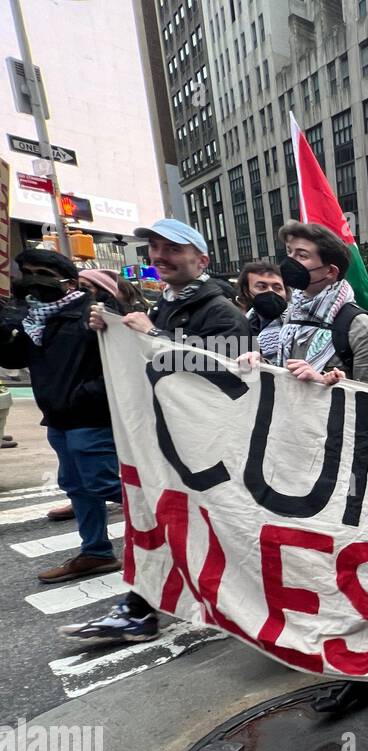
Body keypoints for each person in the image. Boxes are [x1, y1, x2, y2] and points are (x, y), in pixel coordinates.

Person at [63, 218, 251, 644]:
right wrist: (114, 333)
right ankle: (140, 606)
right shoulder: (163, 304)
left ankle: (231, 605)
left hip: (206, 447)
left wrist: (156, 337)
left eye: (173, 249)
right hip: (171, 440)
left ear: (200, 259)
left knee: (213, 526)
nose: (160, 256)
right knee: (161, 517)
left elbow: (232, 371)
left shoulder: (220, 311)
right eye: (155, 248)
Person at [0, 251, 127, 583]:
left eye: (41, 272)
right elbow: (13, 359)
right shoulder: (34, 319)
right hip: (58, 419)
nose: (31, 279)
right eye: (26, 272)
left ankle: (178, 526)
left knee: (105, 483)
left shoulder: (95, 315)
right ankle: (97, 552)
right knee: (77, 486)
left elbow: (121, 365)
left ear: (69, 282)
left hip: (91, 417)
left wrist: (85, 397)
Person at [256, 223, 368, 386]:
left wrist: (322, 381)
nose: (290, 261)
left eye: (302, 256)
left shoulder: (362, 329)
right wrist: (259, 364)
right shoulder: (293, 313)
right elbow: (286, 375)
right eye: (290, 252)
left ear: (331, 272)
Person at [235, 260, 287, 338]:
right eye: (262, 287)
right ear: (246, 291)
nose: (271, 291)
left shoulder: (299, 326)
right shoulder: (241, 329)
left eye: (277, 288)